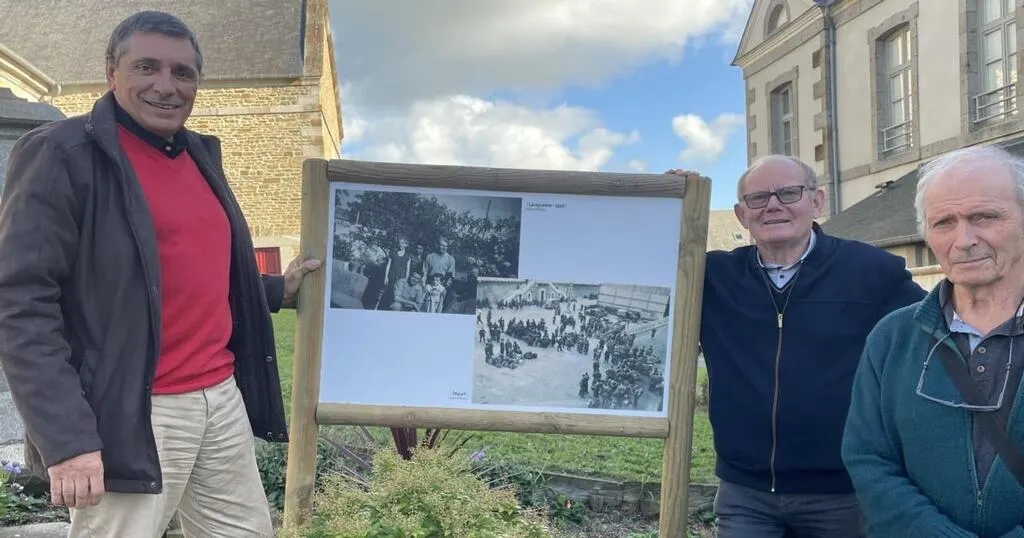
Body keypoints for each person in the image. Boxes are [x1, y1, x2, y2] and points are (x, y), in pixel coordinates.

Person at [0, 11, 320, 537]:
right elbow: (21, 306)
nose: (166, 87)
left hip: (219, 397)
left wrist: (272, 290)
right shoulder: (62, 155)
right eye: (147, 67)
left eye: (183, 73)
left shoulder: (198, 155)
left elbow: (182, 270)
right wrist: (69, 440)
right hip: (129, 410)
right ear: (111, 71)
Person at [667, 155, 925, 537]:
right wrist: (671, 203)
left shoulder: (872, 272)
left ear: (816, 201)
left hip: (842, 491)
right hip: (745, 492)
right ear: (741, 214)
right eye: (758, 198)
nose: (773, 205)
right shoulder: (713, 278)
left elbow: (939, 332)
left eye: (789, 193)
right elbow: (647, 270)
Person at [842, 145, 1024, 536]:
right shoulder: (893, 336)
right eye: (944, 223)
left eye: (985, 217)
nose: (964, 240)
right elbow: (868, 459)